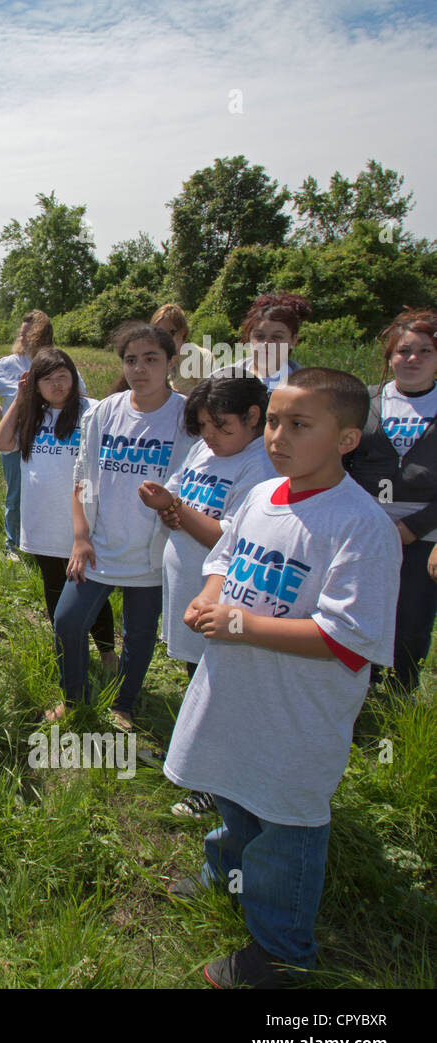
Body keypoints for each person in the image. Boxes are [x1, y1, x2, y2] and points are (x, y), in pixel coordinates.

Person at [164, 369, 401, 988]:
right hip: (237, 691)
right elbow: (223, 558)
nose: (277, 436)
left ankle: (280, 950)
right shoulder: (263, 495)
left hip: (297, 711)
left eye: (299, 425)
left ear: (347, 439)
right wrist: (210, 595)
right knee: (234, 789)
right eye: (272, 421)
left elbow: (347, 638)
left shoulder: (359, 525)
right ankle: (226, 876)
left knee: (285, 821)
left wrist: (239, 624)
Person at [137, 375, 275, 819]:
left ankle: (216, 785)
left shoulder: (260, 467)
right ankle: (199, 763)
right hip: (186, 585)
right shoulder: (206, 449)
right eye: (202, 426)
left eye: (221, 426)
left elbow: (223, 536)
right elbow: (179, 496)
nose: (209, 436)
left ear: (254, 418)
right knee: (196, 676)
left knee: (218, 686)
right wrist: (170, 504)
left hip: (220, 595)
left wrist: (172, 509)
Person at [49, 323, 196, 728]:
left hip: (153, 550)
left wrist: (175, 509)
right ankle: (74, 699)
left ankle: (124, 703)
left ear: (170, 361)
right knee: (67, 620)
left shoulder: (188, 416)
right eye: (131, 360)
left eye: (151, 359)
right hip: (99, 545)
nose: (140, 368)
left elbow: (197, 478)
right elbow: (84, 479)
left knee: (139, 634)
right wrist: (81, 538)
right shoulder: (103, 412)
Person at [0, 347, 116, 673]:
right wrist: (20, 400)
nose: (57, 384)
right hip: (41, 521)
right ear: (35, 384)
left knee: (90, 590)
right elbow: (3, 443)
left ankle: (107, 653)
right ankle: (66, 647)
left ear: (74, 378)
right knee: (54, 587)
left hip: (84, 524)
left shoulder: (93, 410)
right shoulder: (33, 415)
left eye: (63, 377)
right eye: (47, 379)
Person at [345, 308, 437, 693]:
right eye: (403, 351)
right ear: (389, 357)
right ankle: (359, 689)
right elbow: (340, 464)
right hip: (364, 528)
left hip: (425, 531)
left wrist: (413, 528)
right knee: (359, 612)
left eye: (425, 351)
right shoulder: (364, 402)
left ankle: (400, 698)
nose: (412, 359)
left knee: (411, 620)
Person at [0, 310, 54, 557]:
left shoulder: (54, 362)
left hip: (47, 443)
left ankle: (43, 542)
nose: (24, 338)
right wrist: (1, 415)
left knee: (44, 491)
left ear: (44, 335)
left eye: (30, 333)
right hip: (14, 442)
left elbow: (79, 393)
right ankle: (13, 545)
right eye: (22, 333)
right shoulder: (9, 364)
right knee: (16, 494)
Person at [213, 293, 309, 392]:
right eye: (259, 336)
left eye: (277, 337)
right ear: (249, 337)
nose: (266, 343)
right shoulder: (221, 380)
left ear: (293, 341)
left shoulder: (309, 388)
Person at [152, 303, 214, 397]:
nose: (164, 338)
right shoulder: (151, 360)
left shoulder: (201, 356)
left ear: (183, 331)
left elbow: (211, 397)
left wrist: (177, 397)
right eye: (158, 333)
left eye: (171, 332)